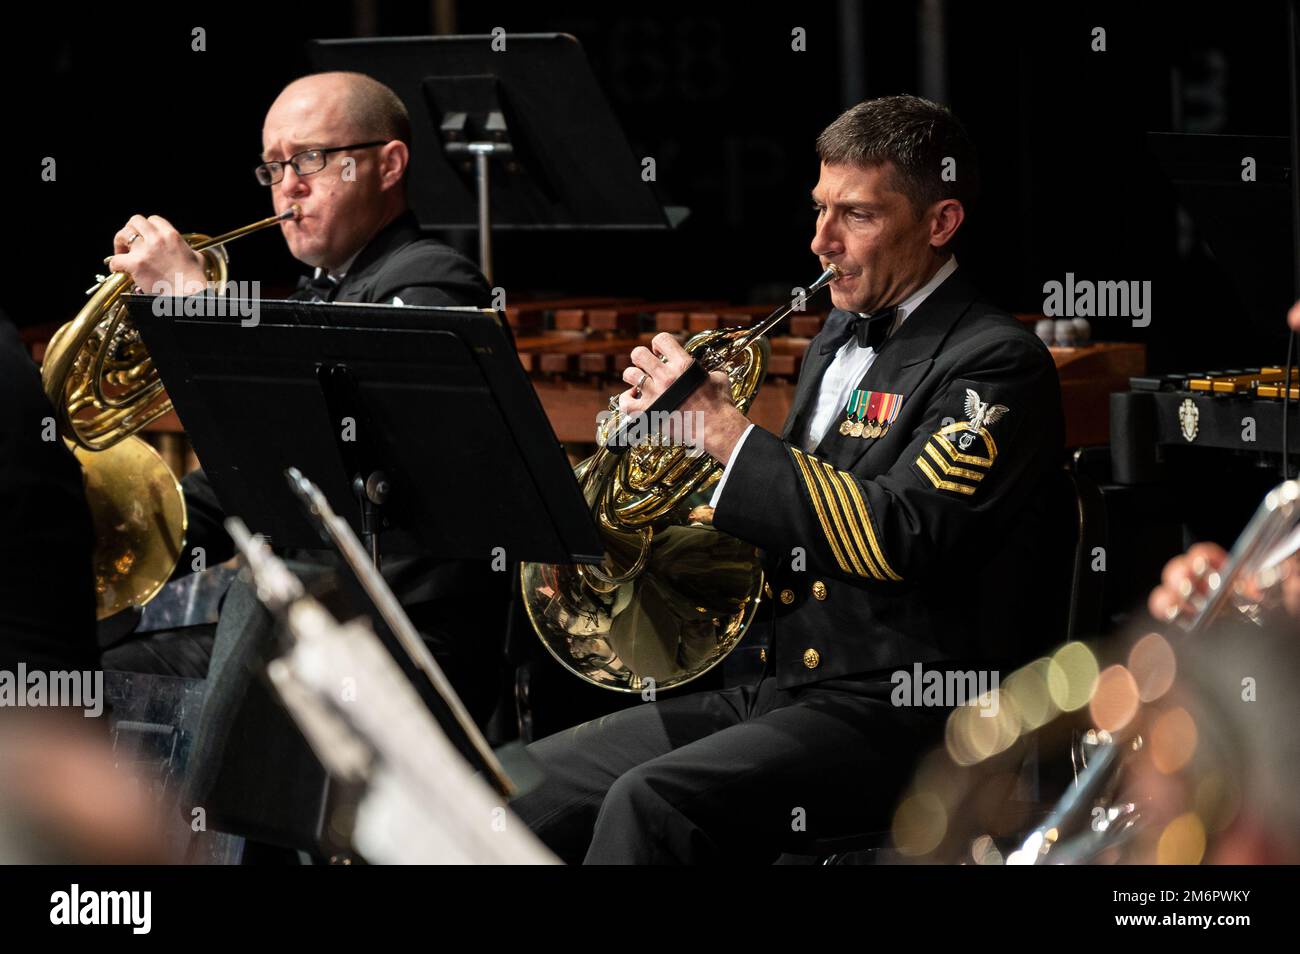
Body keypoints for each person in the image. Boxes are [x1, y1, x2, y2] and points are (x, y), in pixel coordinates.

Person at [510, 95, 1067, 864]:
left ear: (940, 223)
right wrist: (662, 452)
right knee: (514, 785)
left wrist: (724, 432)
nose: (821, 242)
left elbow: (897, 536)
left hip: (914, 711)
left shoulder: (996, 362)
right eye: (819, 210)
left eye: (858, 216)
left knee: (652, 804)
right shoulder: (835, 335)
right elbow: (790, 508)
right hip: (781, 683)